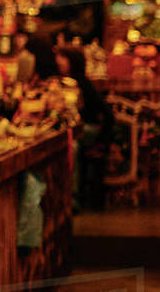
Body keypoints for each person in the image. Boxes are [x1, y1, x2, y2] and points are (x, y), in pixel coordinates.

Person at [56, 45, 113, 209]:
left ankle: (73, 197)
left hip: (87, 129)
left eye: (62, 57)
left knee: (71, 146)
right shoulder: (59, 82)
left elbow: (107, 114)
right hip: (73, 129)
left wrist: (103, 140)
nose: (58, 61)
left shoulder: (82, 84)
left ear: (71, 62)